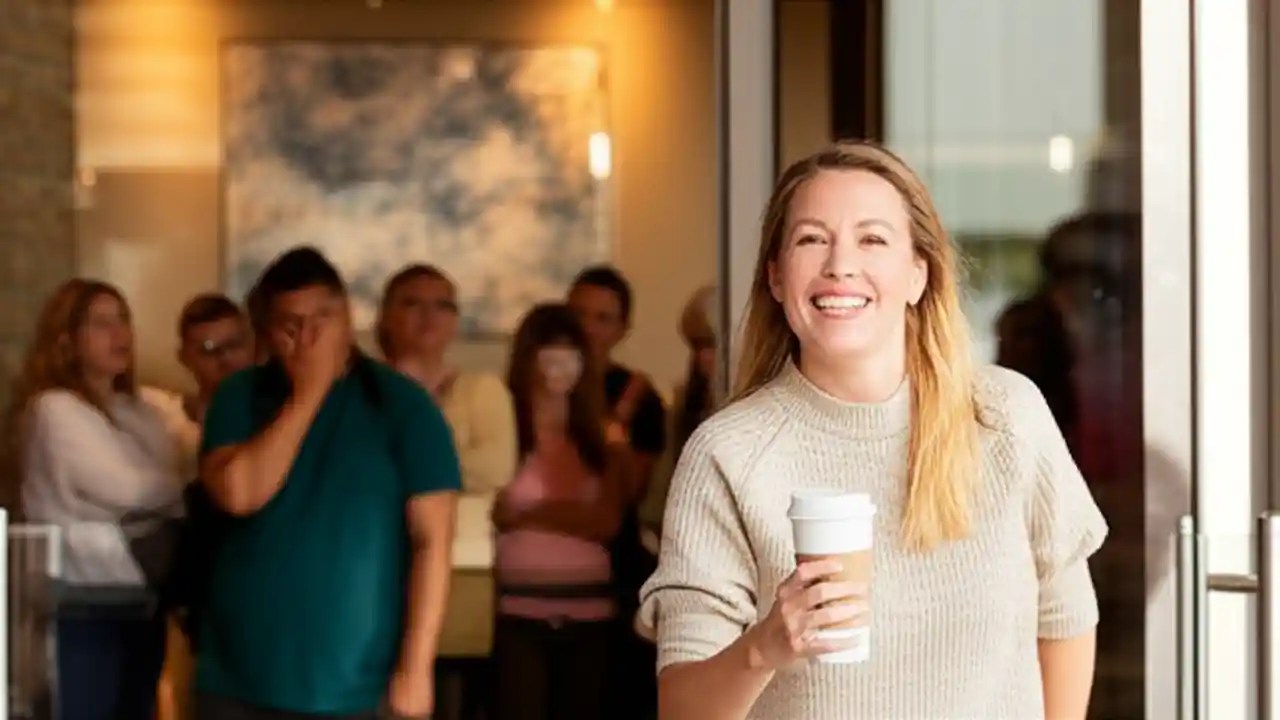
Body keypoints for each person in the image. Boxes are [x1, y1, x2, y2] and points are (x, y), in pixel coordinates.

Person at [639, 141, 1108, 719]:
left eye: (872, 239)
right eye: (812, 239)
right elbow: (680, 709)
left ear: (918, 274)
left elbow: (1064, 616)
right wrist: (764, 647)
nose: (840, 265)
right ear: (777, 277)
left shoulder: (1005, 415)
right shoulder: (729, 455)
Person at [194, 247, 461, 719]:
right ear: (270, 334)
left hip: (354, 681)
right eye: (291, 325)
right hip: (238, 676)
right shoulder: (241, 395)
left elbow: (433, 542)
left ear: (348, 316)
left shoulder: (403, 405)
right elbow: (239, 493)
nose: (309, 336)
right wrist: (310, 390)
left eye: (324, 317)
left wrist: (416, 669)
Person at [9, 278, 183, 720]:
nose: (119, 333)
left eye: (123, 319)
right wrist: (176, 486)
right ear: (67, 340)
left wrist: (165, 485)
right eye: (101, 323)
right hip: (81, 605)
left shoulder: (137, 409)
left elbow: (171, 473)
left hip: (141, 601)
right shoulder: (54, 409)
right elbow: (128, 490)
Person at [490, 304, 627, 720]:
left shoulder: (604, 435)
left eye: (570, 353)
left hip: (591, 614)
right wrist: (568, 516)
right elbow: (495, 510)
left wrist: (531, 514)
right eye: (546, 352)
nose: (558, 365)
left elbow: (606, 522)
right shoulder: (504, 424)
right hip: (515, 612)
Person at [567, 266, 665, 717]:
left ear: (622, 328)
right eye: (579, 314)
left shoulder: (638, 396)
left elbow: (632, 491)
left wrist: (616, 427)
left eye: (602, 318)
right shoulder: (531, 387)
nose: (588, 328)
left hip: (612, 560)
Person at [377, 264, 517, 497]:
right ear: (387, 316)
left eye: (442, 306)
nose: (428, 315)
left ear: (454, 320)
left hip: (464, 529)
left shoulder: (482, 388)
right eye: (413, 303)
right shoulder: (362, 388)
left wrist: (401, 467)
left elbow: (496, 469)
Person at [143, 293, 254, 480]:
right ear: (184, 358)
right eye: (209, 350)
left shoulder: (280, 414)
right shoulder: (167, 423)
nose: (226, 359)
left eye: (234, 345)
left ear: (253, 344)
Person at [639, 285, 718, 540]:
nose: (704, 357)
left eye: (712, 344)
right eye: (697, 346)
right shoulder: (686, 404)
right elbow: (664, 485)